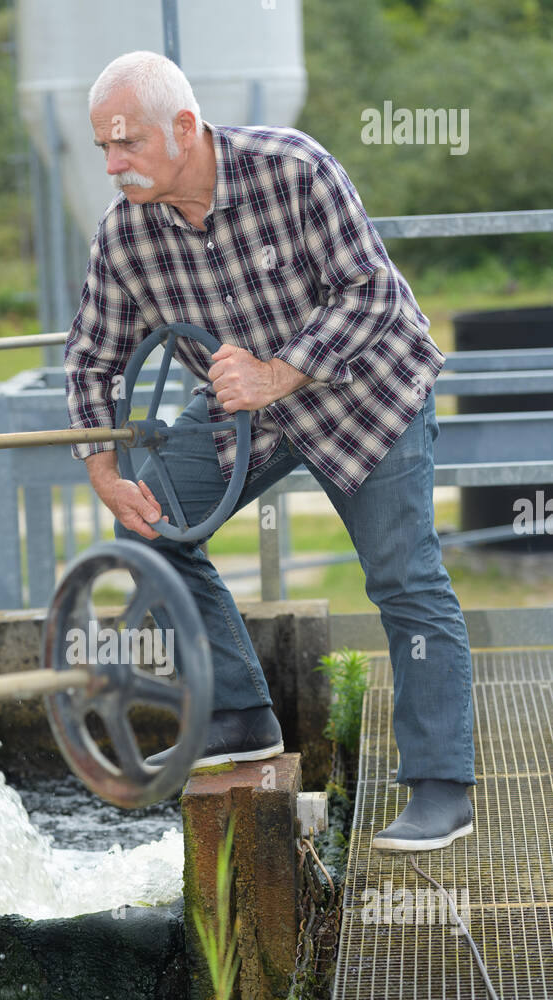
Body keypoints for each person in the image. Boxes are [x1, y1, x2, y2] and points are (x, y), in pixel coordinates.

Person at [64, 50, 475, 853]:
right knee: (151, 530)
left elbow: (372, 292)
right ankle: (240, 716)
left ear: (184, 128)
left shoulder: (291, 168)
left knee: (404, 577)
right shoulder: (125, 235)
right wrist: (106, 473)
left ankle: (441, 788)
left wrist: (277, 371)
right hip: (243, 412)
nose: (113, 166)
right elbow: (92, 357)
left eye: (128, 145)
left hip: (366, 393)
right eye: (103, 150)